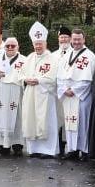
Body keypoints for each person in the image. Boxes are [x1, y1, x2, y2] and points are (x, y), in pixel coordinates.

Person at [16, 22, 62, 159]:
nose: (38, 46)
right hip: (30, 94)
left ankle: (48, 150)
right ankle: (33, 149)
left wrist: (39, 81)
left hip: (45, 96)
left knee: (47, 121)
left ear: (45, 43)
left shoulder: (52, 59)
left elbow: (54, 78)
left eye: (40, 43)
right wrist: (25, 79)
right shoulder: (29, 58)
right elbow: (20, 74)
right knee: (31, 120)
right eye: (36, 44)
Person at [57, 29, 95, 160]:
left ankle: (85, 150)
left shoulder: (89, 56)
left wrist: (74, 90)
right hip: (68, 95)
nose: (76, 42)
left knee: (83, 123)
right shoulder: (66, 55)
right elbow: (59, 75)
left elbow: (88, 79)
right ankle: (72, 150)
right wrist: (64, 89)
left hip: (81, 97)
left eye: (78, 39)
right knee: (70, 123)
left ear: (84, 39)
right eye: (74, 39)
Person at [0, 37, 27, 156]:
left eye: (13, 46)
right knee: (1, 117)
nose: (10, 48)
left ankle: (17, 145)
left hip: (17, 92)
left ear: (18, 47)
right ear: (4, 47)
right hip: (1, 92)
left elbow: (27, 75)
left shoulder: (24, 60)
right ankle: (3, 145)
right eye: (7, 46)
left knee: (17, 117)